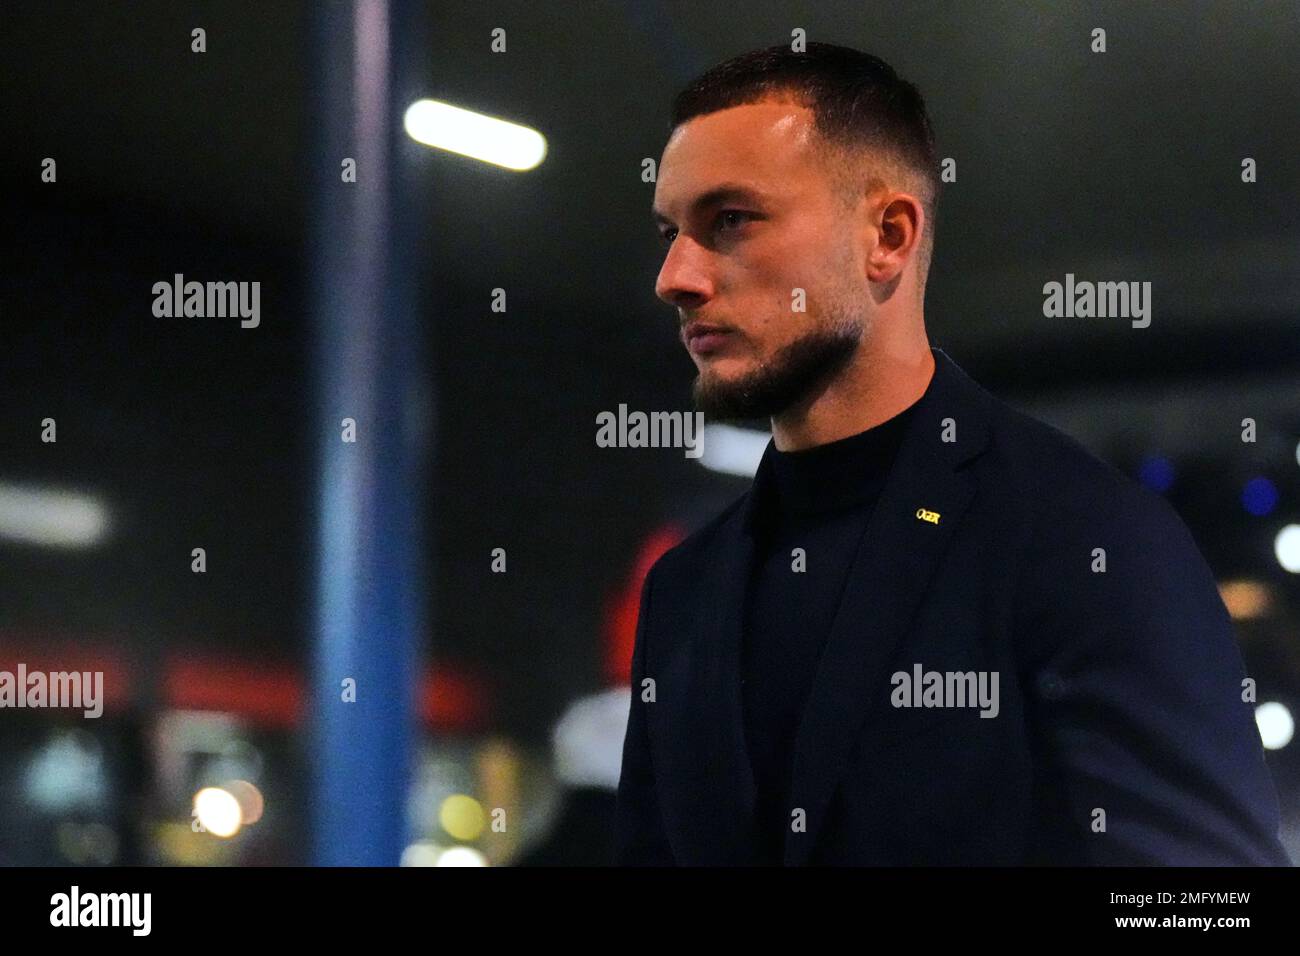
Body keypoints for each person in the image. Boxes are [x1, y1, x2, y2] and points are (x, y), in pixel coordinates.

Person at [615, 41, 1289, 865]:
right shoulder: (686, 590)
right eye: (670, 231)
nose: (674, 275)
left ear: (889, 238)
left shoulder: (1086, 541)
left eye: (730, 220)